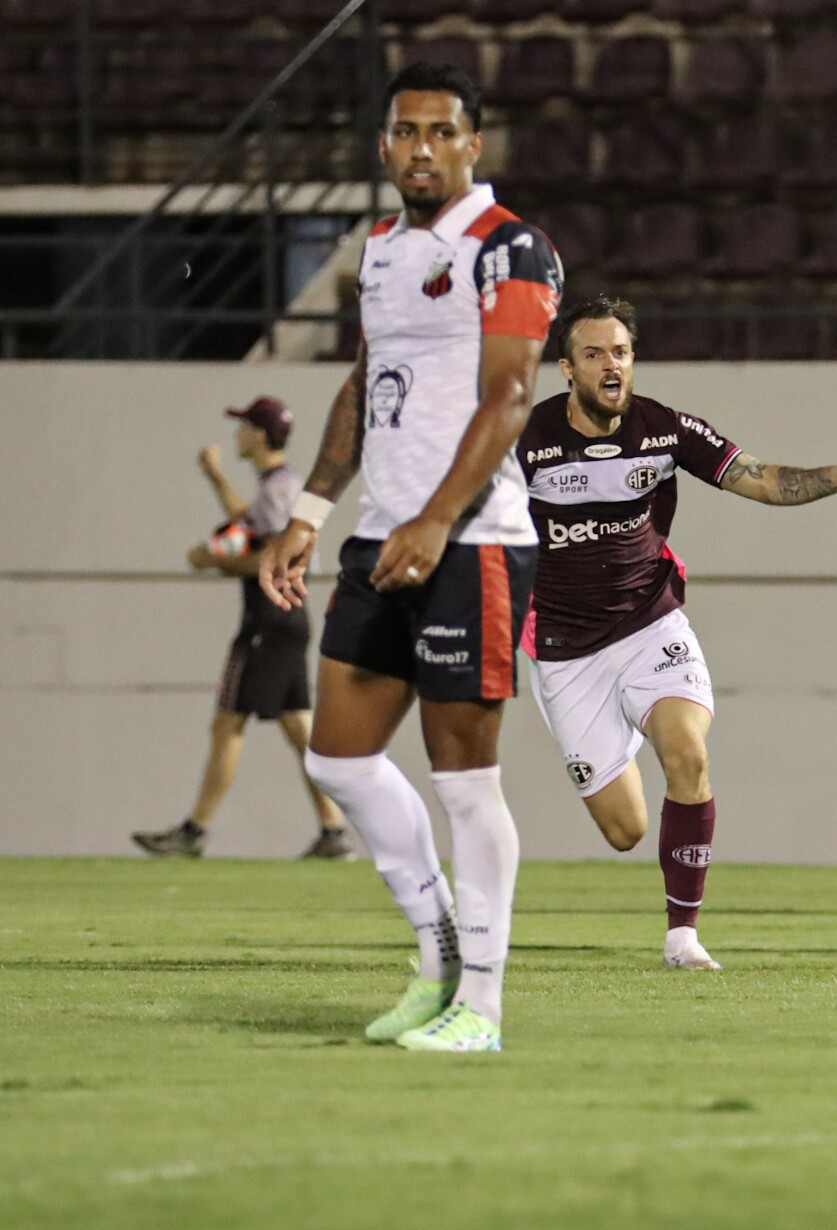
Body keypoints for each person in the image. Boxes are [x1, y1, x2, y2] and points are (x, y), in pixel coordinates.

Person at [259, 62, 563, 1054]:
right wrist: (309, 509)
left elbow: (509, 397)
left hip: (471, 541)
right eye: (404, 132)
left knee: (465, 781)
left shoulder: (509, 245)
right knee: (337, 757)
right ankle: (435, 953)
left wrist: (434, 519)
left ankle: (482, 999)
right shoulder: (383, 249)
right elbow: (363, 381)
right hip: (380, 534)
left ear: (474, 144)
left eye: (441, 131)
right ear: (384, 146)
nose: (420, 148)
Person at [516, 296, 837, 970]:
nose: (613, 365)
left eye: (622, 352)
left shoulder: (663, 428)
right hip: (566, 650)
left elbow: (760, 478)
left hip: (647, 623)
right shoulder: (527, 440)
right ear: (566, 368)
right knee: (625, 829)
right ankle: (615, 732)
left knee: (687, 754)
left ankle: (682, 937)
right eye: (596, 353)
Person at [133, 398, 351, 861]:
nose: (238, 435)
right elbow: (249, 525)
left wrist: (216, 559)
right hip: (290, 618)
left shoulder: (277, 488)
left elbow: (270, 553)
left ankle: (194, 831)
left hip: (266, 621)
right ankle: (333, 832)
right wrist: (216, 482)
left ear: (259, 433)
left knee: (228, 721)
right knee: (299, 730)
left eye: (245, 427)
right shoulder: (283, 485)